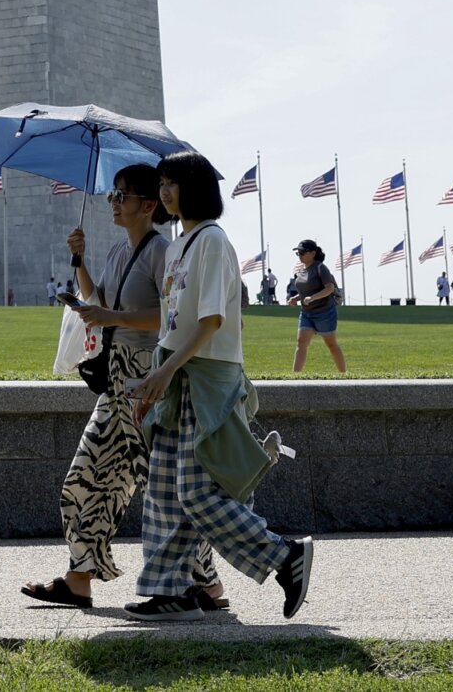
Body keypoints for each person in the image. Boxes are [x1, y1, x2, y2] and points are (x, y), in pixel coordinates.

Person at [18, 164, 220, 613]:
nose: (114, 203)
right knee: (85, 479)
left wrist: (111, 319)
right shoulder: (117, 252)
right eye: (112, 196)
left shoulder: (163, 253)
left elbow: (170, 318)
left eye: (122, 196)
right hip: (117, 382)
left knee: (164, 489)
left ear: (148, 205)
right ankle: (79, 579)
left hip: (148, 379)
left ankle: (206, 585)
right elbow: (101, 303)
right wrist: (79, 262)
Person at [124, 152, 315, 622]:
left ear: (198, 188)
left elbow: (211, 320)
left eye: (175, 183)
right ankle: (172, 591)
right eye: (163, 183)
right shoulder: (177, 246)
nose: (166, 191)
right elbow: (174, 323)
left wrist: (164, 375)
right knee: (164, 492)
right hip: (176, 376)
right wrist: (156, 380)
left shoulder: (212, 240)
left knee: (196, 492)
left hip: (206, 378)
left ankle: (283, 555)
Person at [285, 240, 346, 375]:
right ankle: (296, 376)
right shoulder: (301, 271)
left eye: (302, 252)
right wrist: (296, 299)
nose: (299, 255)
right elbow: (305, 292)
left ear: (313, 253)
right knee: (301, 343)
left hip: (324, 312)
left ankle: (344, 374)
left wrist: (313, 298)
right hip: (307, 313)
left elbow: (329, 288)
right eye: (298, 253)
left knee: (331, 344)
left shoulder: (320, 268)